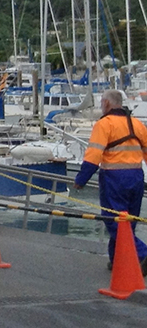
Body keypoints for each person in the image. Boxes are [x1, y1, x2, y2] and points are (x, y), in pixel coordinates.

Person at [74, 90, 147, 273]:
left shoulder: (104, 124)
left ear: (106, 103)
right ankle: (117, 260)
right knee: (128, 221)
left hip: (114, 178)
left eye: (102, 103)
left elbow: (93, 155)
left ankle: (143, 252)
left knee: (114, 221)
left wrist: (81, 180)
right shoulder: (137, 124)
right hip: (136, 177)